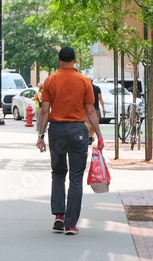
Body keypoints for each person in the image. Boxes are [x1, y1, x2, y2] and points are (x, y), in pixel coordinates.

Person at [34, 47, 104, 235]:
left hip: (56, 131)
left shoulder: (50, 80)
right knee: (75, 176)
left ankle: (59, 214)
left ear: (59, 60)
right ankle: (71, 224)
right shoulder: (84, 81)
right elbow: (90, 111)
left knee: (57, 172)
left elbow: (45, 111)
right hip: (77, 131)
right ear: (74, 60)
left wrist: (40, 136)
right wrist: (99, 135)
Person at [89, 80, 107, 144]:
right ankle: (90, 136)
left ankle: (89, 136)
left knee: (88, 123)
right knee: (94, 123)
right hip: (95, 108)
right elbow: (100, 98)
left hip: (88, 108)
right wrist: (103, 108)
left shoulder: (85, 88)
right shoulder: (97, 88)